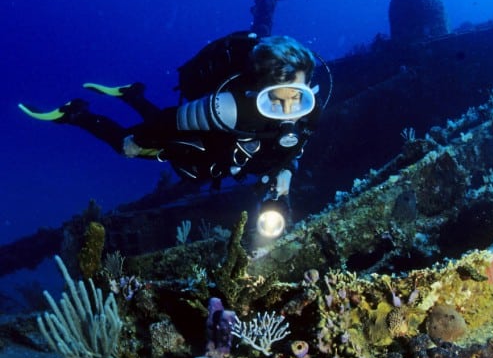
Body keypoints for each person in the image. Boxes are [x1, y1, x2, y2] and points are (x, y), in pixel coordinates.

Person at [19, 33, 324, 239]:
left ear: (308, 86)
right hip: (199, 149)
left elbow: (294, 147)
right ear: (257, 89)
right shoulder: (226, 110)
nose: (288, 111)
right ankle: (75, 113)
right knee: (126, 147)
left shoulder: (309, 110)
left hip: (234, 157)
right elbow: (169, 121)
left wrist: (286, 172)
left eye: (297, 97)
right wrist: (136, 143)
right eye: (275, 99)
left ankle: (132, 95)